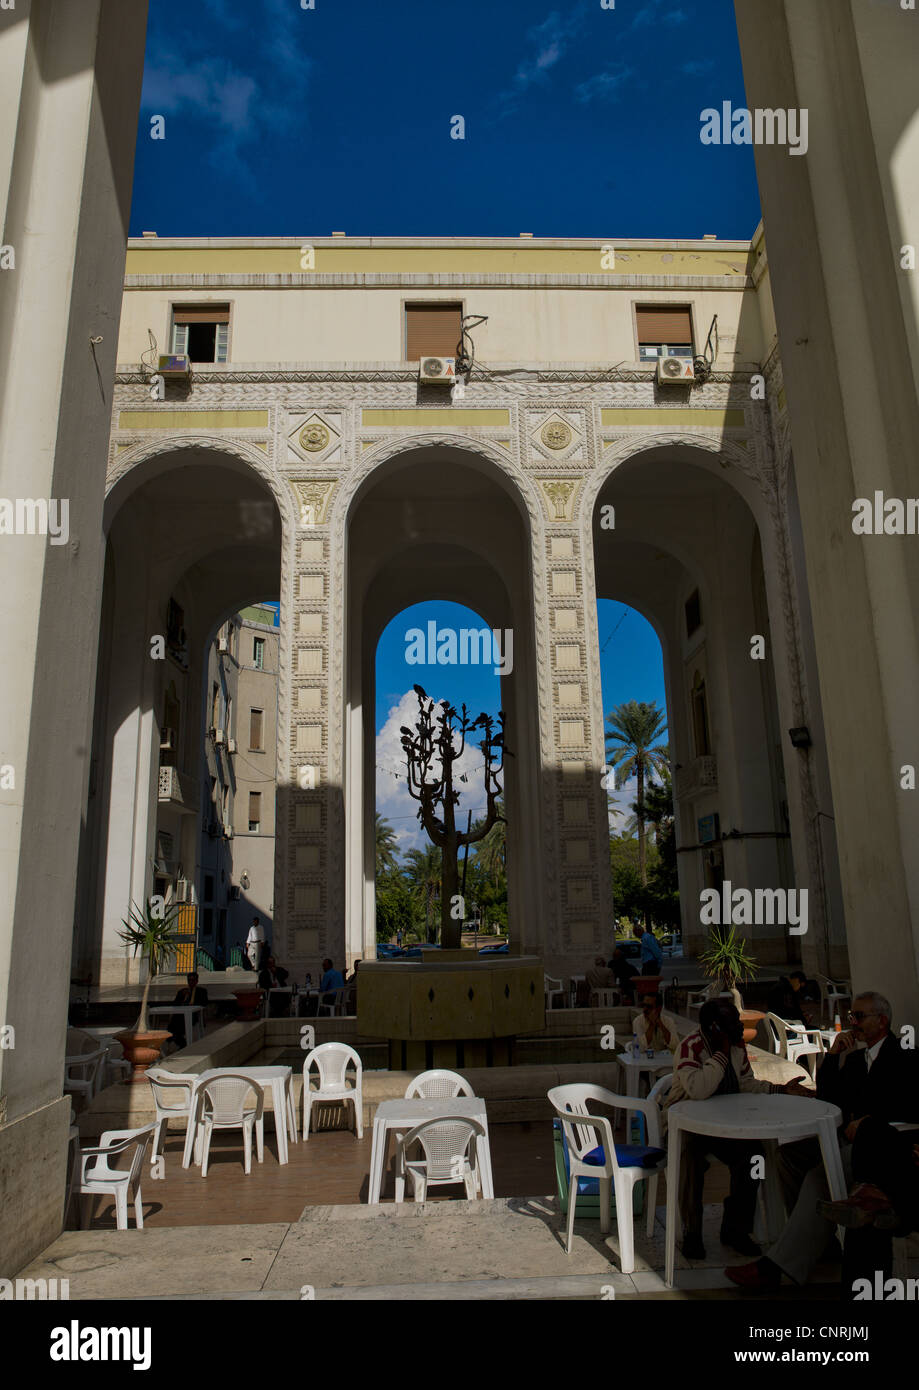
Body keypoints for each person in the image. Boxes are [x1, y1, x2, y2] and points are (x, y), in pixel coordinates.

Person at [725, 989, 919, 1291]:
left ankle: (777, 1267)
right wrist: (831, 1058)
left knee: (820, 1176)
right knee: (788, 1155)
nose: (853, 1022)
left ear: (882, 1021)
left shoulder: (904, 1058)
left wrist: (871, 1123)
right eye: (852, 1015)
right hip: (846, 1140)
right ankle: (822, 1244)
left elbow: (909, 1107)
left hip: (879, 1149)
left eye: (860, 1016)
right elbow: (830, 1100)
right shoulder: (854, 1060)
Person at [666, 999, 799, 1260]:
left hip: (725, 1125)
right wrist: (720, 1053)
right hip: (686, 1125)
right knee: (690, 1157)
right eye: (733, 1022)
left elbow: (747, 1083)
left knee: (753, 1156)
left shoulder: (738, 1046)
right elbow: (698, 1090)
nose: (739, 1026)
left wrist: (780, 1088)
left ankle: (736, 1228)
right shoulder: (690, 1048)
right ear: (714, 1027)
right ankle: (692, 1230)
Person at [168, 972, 208, 1048]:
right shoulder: (182, 991)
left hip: (194, 1014)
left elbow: (204, 1003)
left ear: (196, 981)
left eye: (193, 980)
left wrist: (193, 1004)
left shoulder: (202, 991)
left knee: (179, 1025)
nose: (191, 982)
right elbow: (174, 1004)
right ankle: (178, 1040)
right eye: (189, 980)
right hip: (181, 1014)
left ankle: (180, 1041)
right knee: (173, 1023)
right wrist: (181, 996)